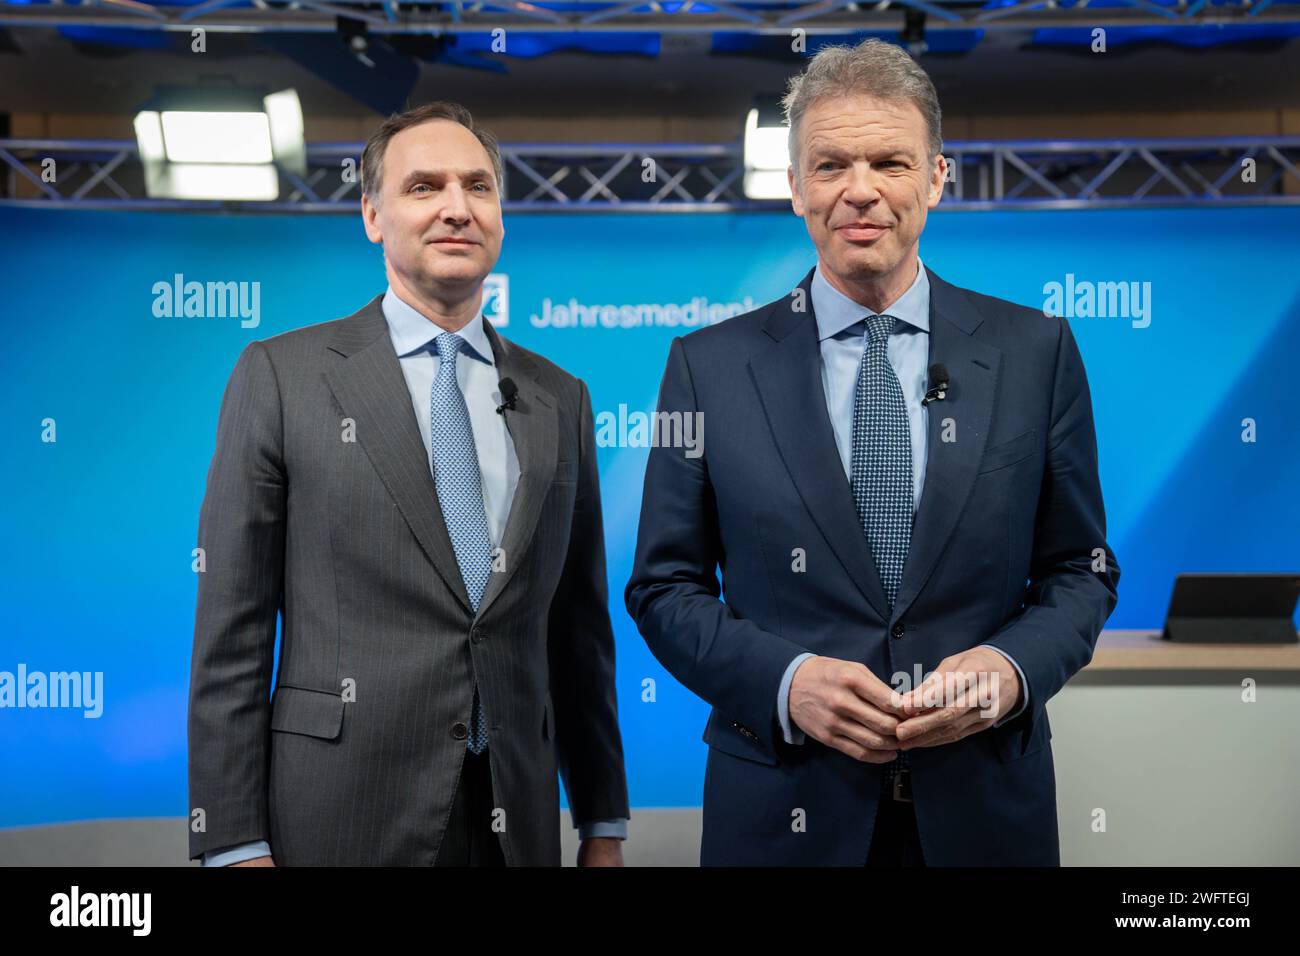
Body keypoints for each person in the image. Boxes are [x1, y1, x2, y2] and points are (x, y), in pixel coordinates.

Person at [625, 39, 1119, 866]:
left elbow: (1084, 568)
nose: (861, 190)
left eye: (890, 162)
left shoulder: (1037, 353)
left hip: (986, 815)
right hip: (782, 812)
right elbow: (662, 586)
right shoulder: (704, 367)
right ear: (795, 188)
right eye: (830, 166)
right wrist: (785, 683)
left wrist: (1008, 667)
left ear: (935, 179)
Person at [188, 101, 629, 867]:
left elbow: (578, 633)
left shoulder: (562, 397)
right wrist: (231, 843)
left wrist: (603, 825)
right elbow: (233, 636)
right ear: (372, 215)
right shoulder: (283, 378)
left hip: (514, 822)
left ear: (500, 216)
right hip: (337, 815)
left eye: (478, 187)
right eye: (424, 187)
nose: (456, 207)